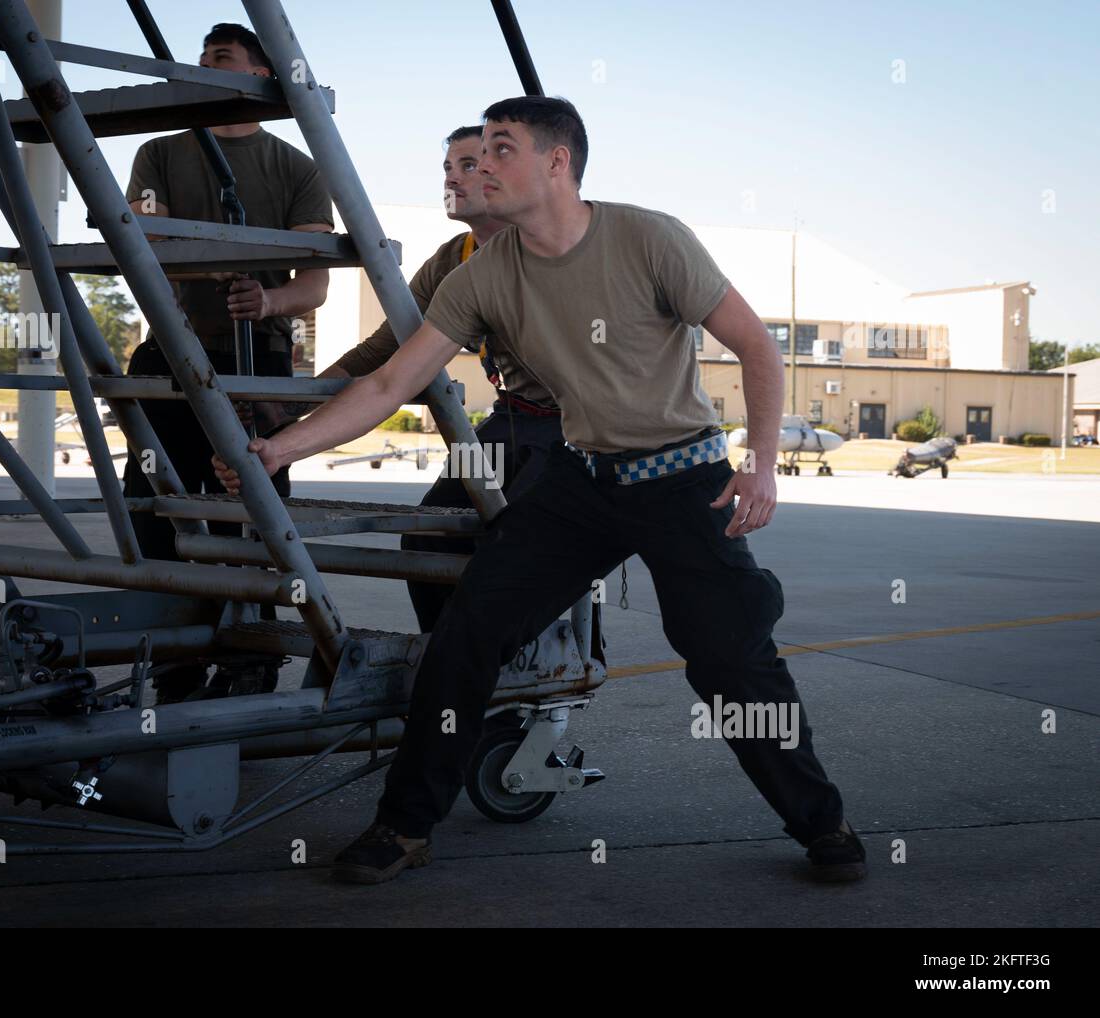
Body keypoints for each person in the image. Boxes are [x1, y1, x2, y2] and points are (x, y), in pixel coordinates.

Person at [214, 96, 865, 885]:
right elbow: (391, 379)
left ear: (557, 163)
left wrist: (760, 462)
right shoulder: (484, 272)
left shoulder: (648, 237)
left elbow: (756, 344)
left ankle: (821, 823)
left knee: (729, 661)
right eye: (477, 150)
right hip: (580, 480)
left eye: (500, 148)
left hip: (681, 478)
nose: (481, 164)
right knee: (466, 633)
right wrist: (277, 447)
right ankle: (405, 824)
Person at [312, 124, 597, 646]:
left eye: (469, 165)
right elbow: (384, 351)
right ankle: (455, 665)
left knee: (520, 544)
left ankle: (544, 660)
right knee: (427, 539)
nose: (454, 179)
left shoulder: (551, 243)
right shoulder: (453, 259)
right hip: (511, 421)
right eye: (448, 168)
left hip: (578, 425)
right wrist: (286, 409)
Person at [122, 22, 334, 702]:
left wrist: (267, 298)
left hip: (257, 359)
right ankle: (176, 658)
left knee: (249, 509)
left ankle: (253, 653)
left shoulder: (296, 167)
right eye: (204, 57)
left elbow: (317, 283)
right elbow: (143, 233)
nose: (208, 66)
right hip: (171, 353)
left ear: (259, 75)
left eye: (223, 57)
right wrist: (214, 265)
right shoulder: (159, 151)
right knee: (157, 504)